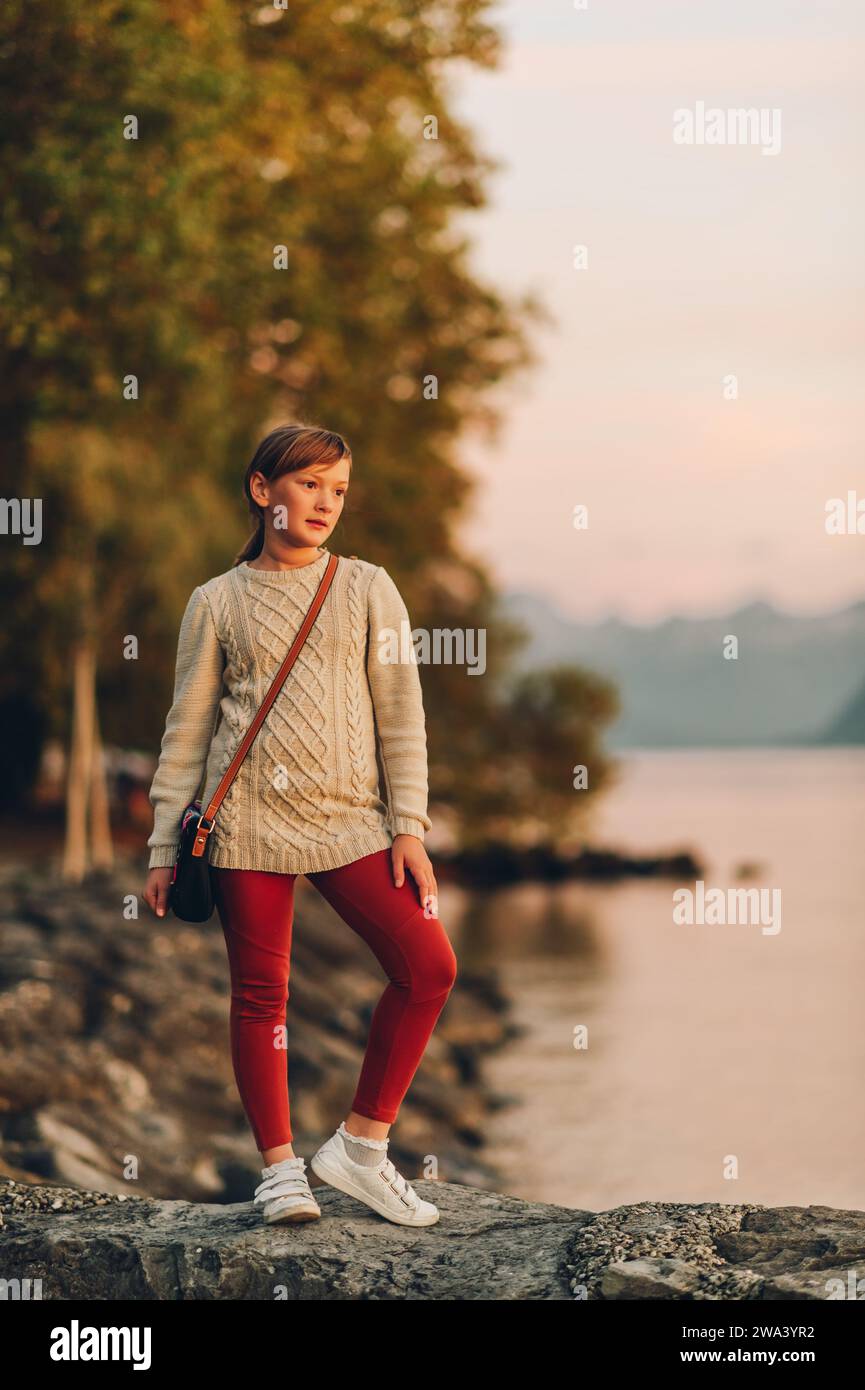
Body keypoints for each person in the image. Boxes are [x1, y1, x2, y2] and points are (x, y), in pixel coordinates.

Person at [142, 423, 457, 1228]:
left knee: (427, 967)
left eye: (339, 489)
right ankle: (279, 1171)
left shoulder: (366, 587)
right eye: (310, 483)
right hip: (243, 823)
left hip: (353, 823)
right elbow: (188, 729)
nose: (326, 503)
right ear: (262, 491)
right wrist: (162, 847)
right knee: (260, 998)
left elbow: (401, 714)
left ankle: (360, 1148)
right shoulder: (214, 602)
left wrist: (409, 827)